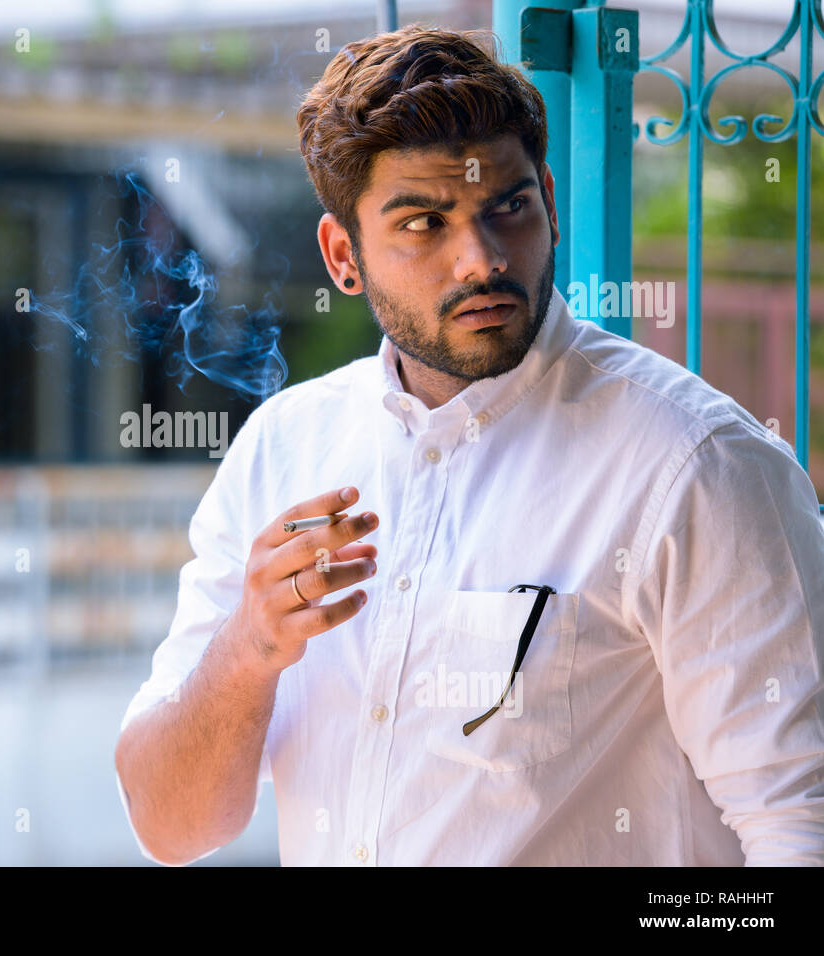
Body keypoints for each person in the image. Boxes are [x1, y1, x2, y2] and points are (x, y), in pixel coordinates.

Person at [113, 25, 824, 866]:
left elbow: (800, 824)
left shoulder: (696, 466)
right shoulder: (284, 450)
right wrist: (249, 649)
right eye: (424, 223)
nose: (481, 260)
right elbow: (172, 826)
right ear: (344, 256)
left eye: (507, 209)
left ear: (550, 203)